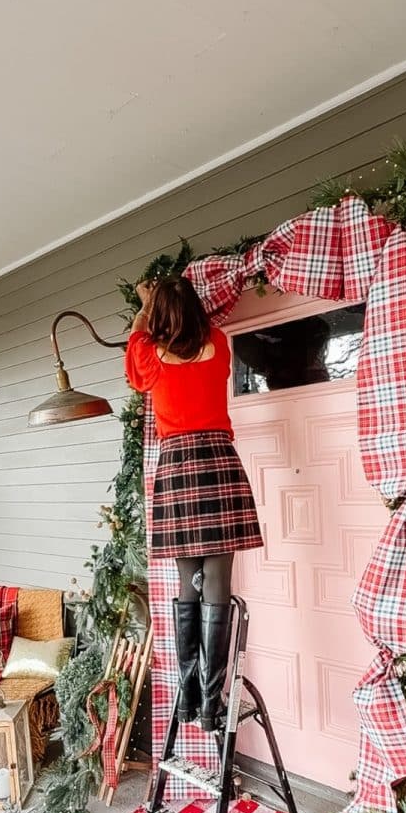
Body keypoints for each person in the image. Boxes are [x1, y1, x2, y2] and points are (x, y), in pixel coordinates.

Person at [125, 274, 263, 732]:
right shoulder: (219, 344)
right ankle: (211, 704)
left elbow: (135, 363)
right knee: (219, 583)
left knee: (189, 586)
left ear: (162, 317)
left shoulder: (151, 357)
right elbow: (193, 342)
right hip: (217, 462)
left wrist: (145, 306)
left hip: (178, 466)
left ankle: (187, 699)